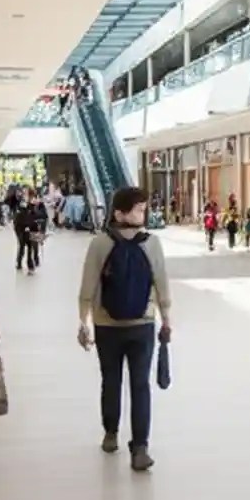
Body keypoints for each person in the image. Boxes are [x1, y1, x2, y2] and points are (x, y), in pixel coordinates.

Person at [77, 187, 173, 472]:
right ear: (120, 212)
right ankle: (140, 447)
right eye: (138, 208)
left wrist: (83, 321)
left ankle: (111, 434)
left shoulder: (99, 243)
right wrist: (166, 318)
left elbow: (87, 287)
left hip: (107, 325)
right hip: (143, 324)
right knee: (140, 385)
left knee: (111, 380)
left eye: (144, 208)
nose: (144, 213)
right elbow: (162, 284)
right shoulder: (152, 244)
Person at [13, 189, 41, 274]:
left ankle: (31, 263)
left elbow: (39, 215)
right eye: (31, 196)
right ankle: (20, 262)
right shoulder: (23, 204)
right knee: (23, 244)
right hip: (21, 227)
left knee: (31, 245)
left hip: (31, 227)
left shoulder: (34, 204)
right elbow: (21, 216)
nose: (32, 198)